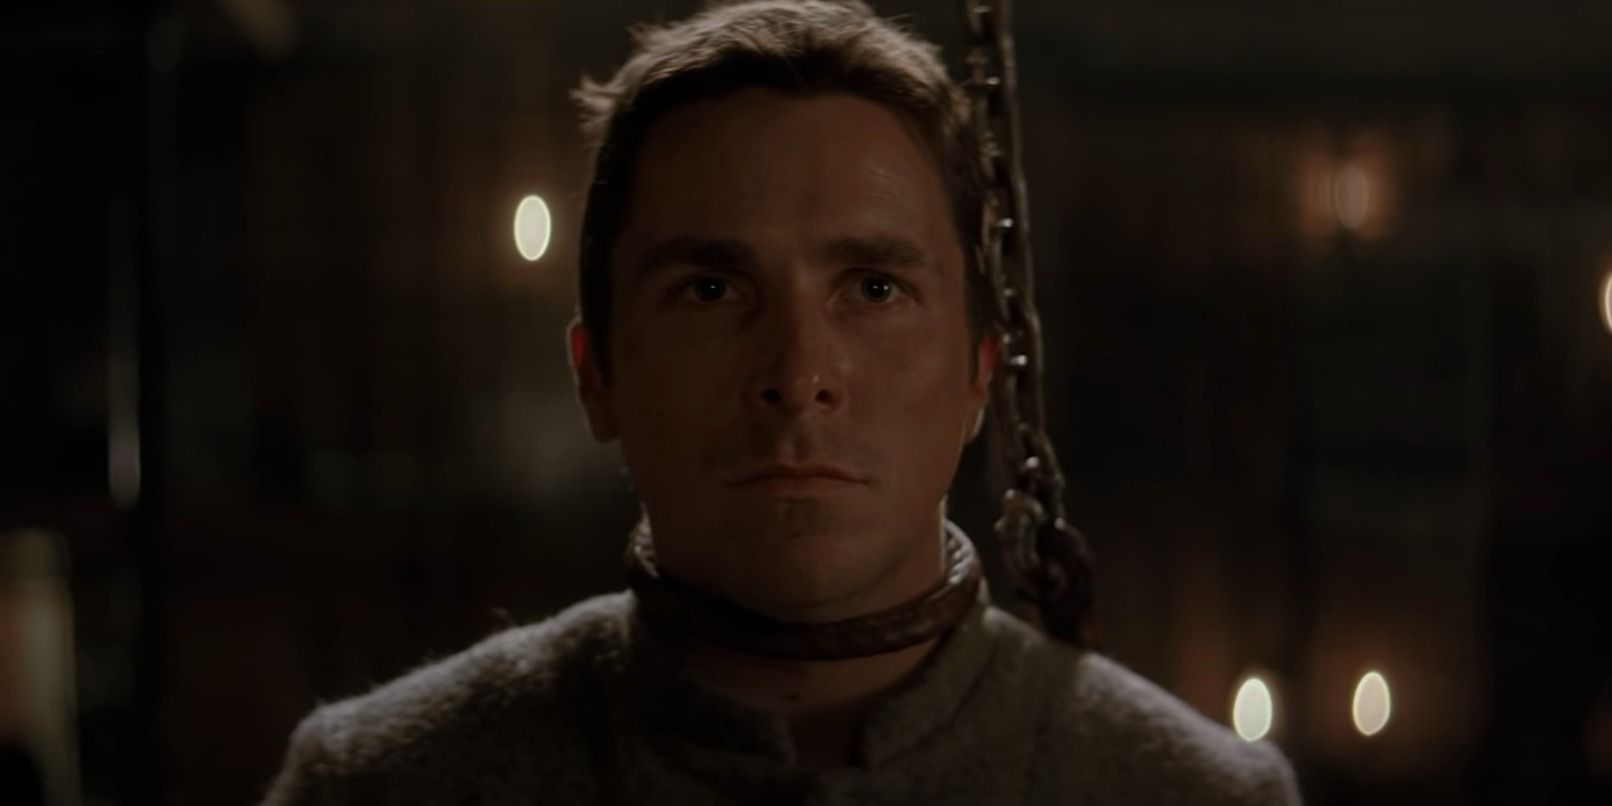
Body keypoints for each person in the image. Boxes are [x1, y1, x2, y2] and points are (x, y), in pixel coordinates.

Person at [261, 1, 1301, 803]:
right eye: (711, 291)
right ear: (596, 372)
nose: (799, 372)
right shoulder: (383, 783)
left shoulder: (1186, 793)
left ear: (980, 372)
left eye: (874, 289)